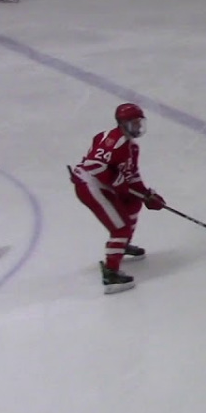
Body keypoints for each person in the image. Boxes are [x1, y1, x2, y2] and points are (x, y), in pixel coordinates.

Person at [69, 104, 166, 294]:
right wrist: (119, 182)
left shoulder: (131, 147)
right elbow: (94, 166)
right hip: (90, 186)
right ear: (122, 124)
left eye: (140, 123)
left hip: (103, 185)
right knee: (120, 227)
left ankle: (121, 245)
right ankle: (111, 274)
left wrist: (146, 194)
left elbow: (132, 175)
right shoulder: (114, 142)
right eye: (133, 123)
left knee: (133, 202)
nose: (138, 127)